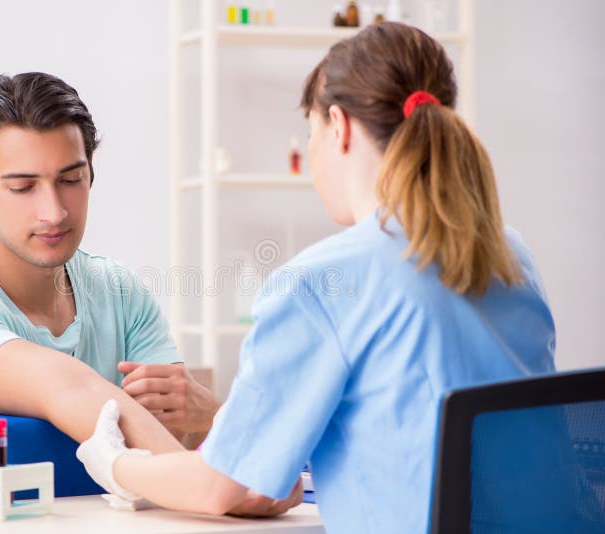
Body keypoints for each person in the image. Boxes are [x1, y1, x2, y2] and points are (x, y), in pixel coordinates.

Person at [75, 22, 557, 531]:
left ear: (338, 126)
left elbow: (222, 485)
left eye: (310, 134)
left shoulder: (323, 281)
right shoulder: (511, 254)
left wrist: (117, 464)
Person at [0, 72, 220, 452]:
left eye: (70, 180)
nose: (54, 213)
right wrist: (223, 433)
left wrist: (208, 415)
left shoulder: (119, 291)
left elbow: (170, 435)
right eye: (23, 187)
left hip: (83, 511)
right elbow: (71, 390)